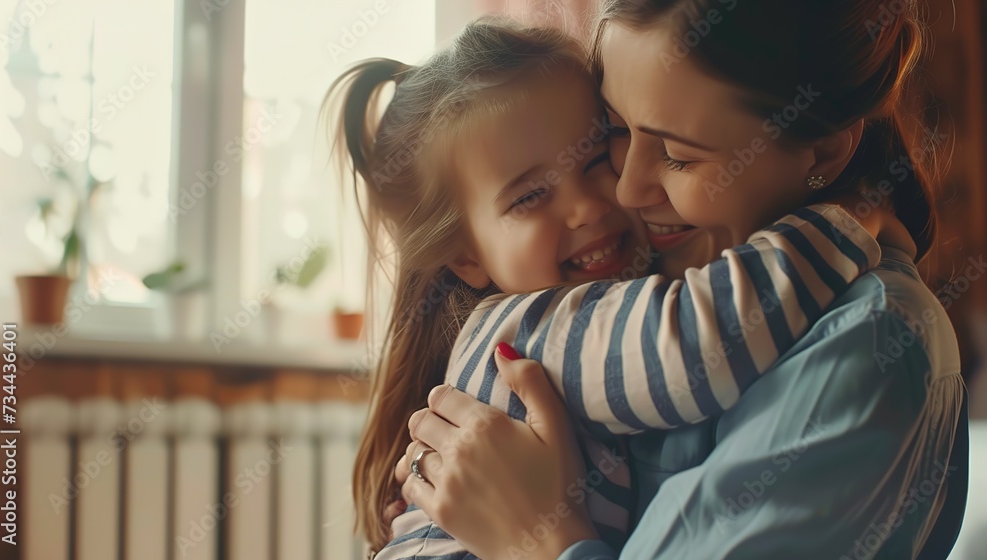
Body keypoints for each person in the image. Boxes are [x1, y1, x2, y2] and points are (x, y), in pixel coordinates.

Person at [394, 1, 968, 559]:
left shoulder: (869, 339)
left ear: (821, 151)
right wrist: (841, 226)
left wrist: (539, 542)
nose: (624, 191)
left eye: (677, 154)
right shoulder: (561, 316)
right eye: (616, 129)